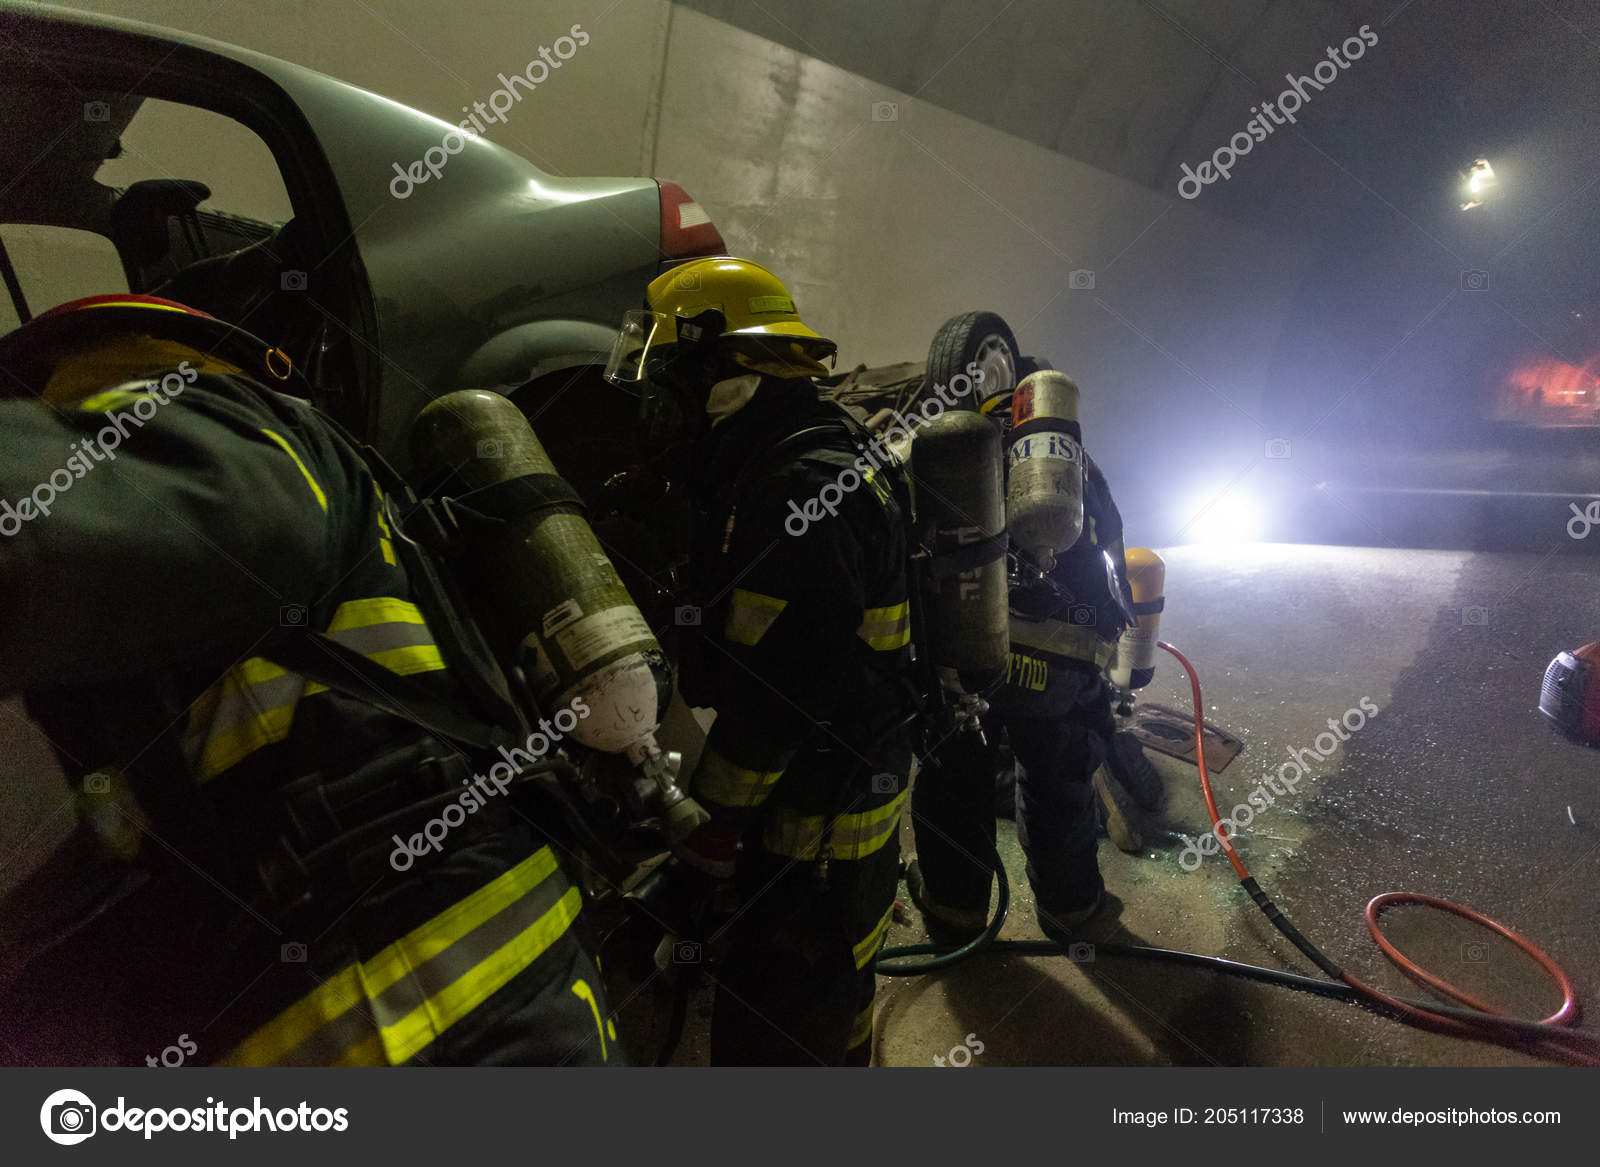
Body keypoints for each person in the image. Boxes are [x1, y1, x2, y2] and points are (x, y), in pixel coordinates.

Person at [0, 294, 619, 1066]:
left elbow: (31, 526)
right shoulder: (348, 521)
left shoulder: (246, 439)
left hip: (423, 1027)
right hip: (513, 1008)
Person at [605, 257, 916, 1065]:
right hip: (840, 786)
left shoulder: (800, 492)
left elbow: (783, 695)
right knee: (837, 994)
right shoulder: (789, 451)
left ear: (727, 368)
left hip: (819, 824)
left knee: (775, 1025)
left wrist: (708, 832)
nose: (657, 391)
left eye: (669, 368)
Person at [907, 370, 1141, 946]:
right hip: (1062, 666)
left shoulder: (950, 463)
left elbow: (911, 563)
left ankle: (955, 911)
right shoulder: (1076, 472)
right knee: (1057, 781)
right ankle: (1071, 910)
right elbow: (1112, 553)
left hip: (969, 662)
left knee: (955, 780)